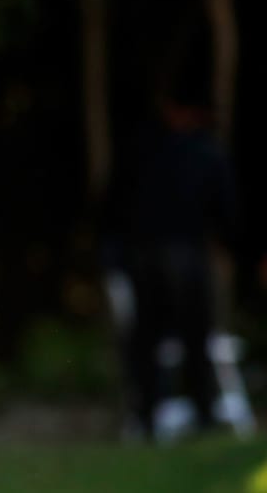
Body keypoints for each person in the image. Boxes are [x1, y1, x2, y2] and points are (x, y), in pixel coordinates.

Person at [102, 83, 239, 442]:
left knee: (150, 342)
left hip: (144, 260)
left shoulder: (139, 149)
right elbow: (225, 211)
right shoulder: (203, 150)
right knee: (192, 339)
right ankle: (197, 413)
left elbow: (109, 209)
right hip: (180, 260)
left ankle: (151, 416)